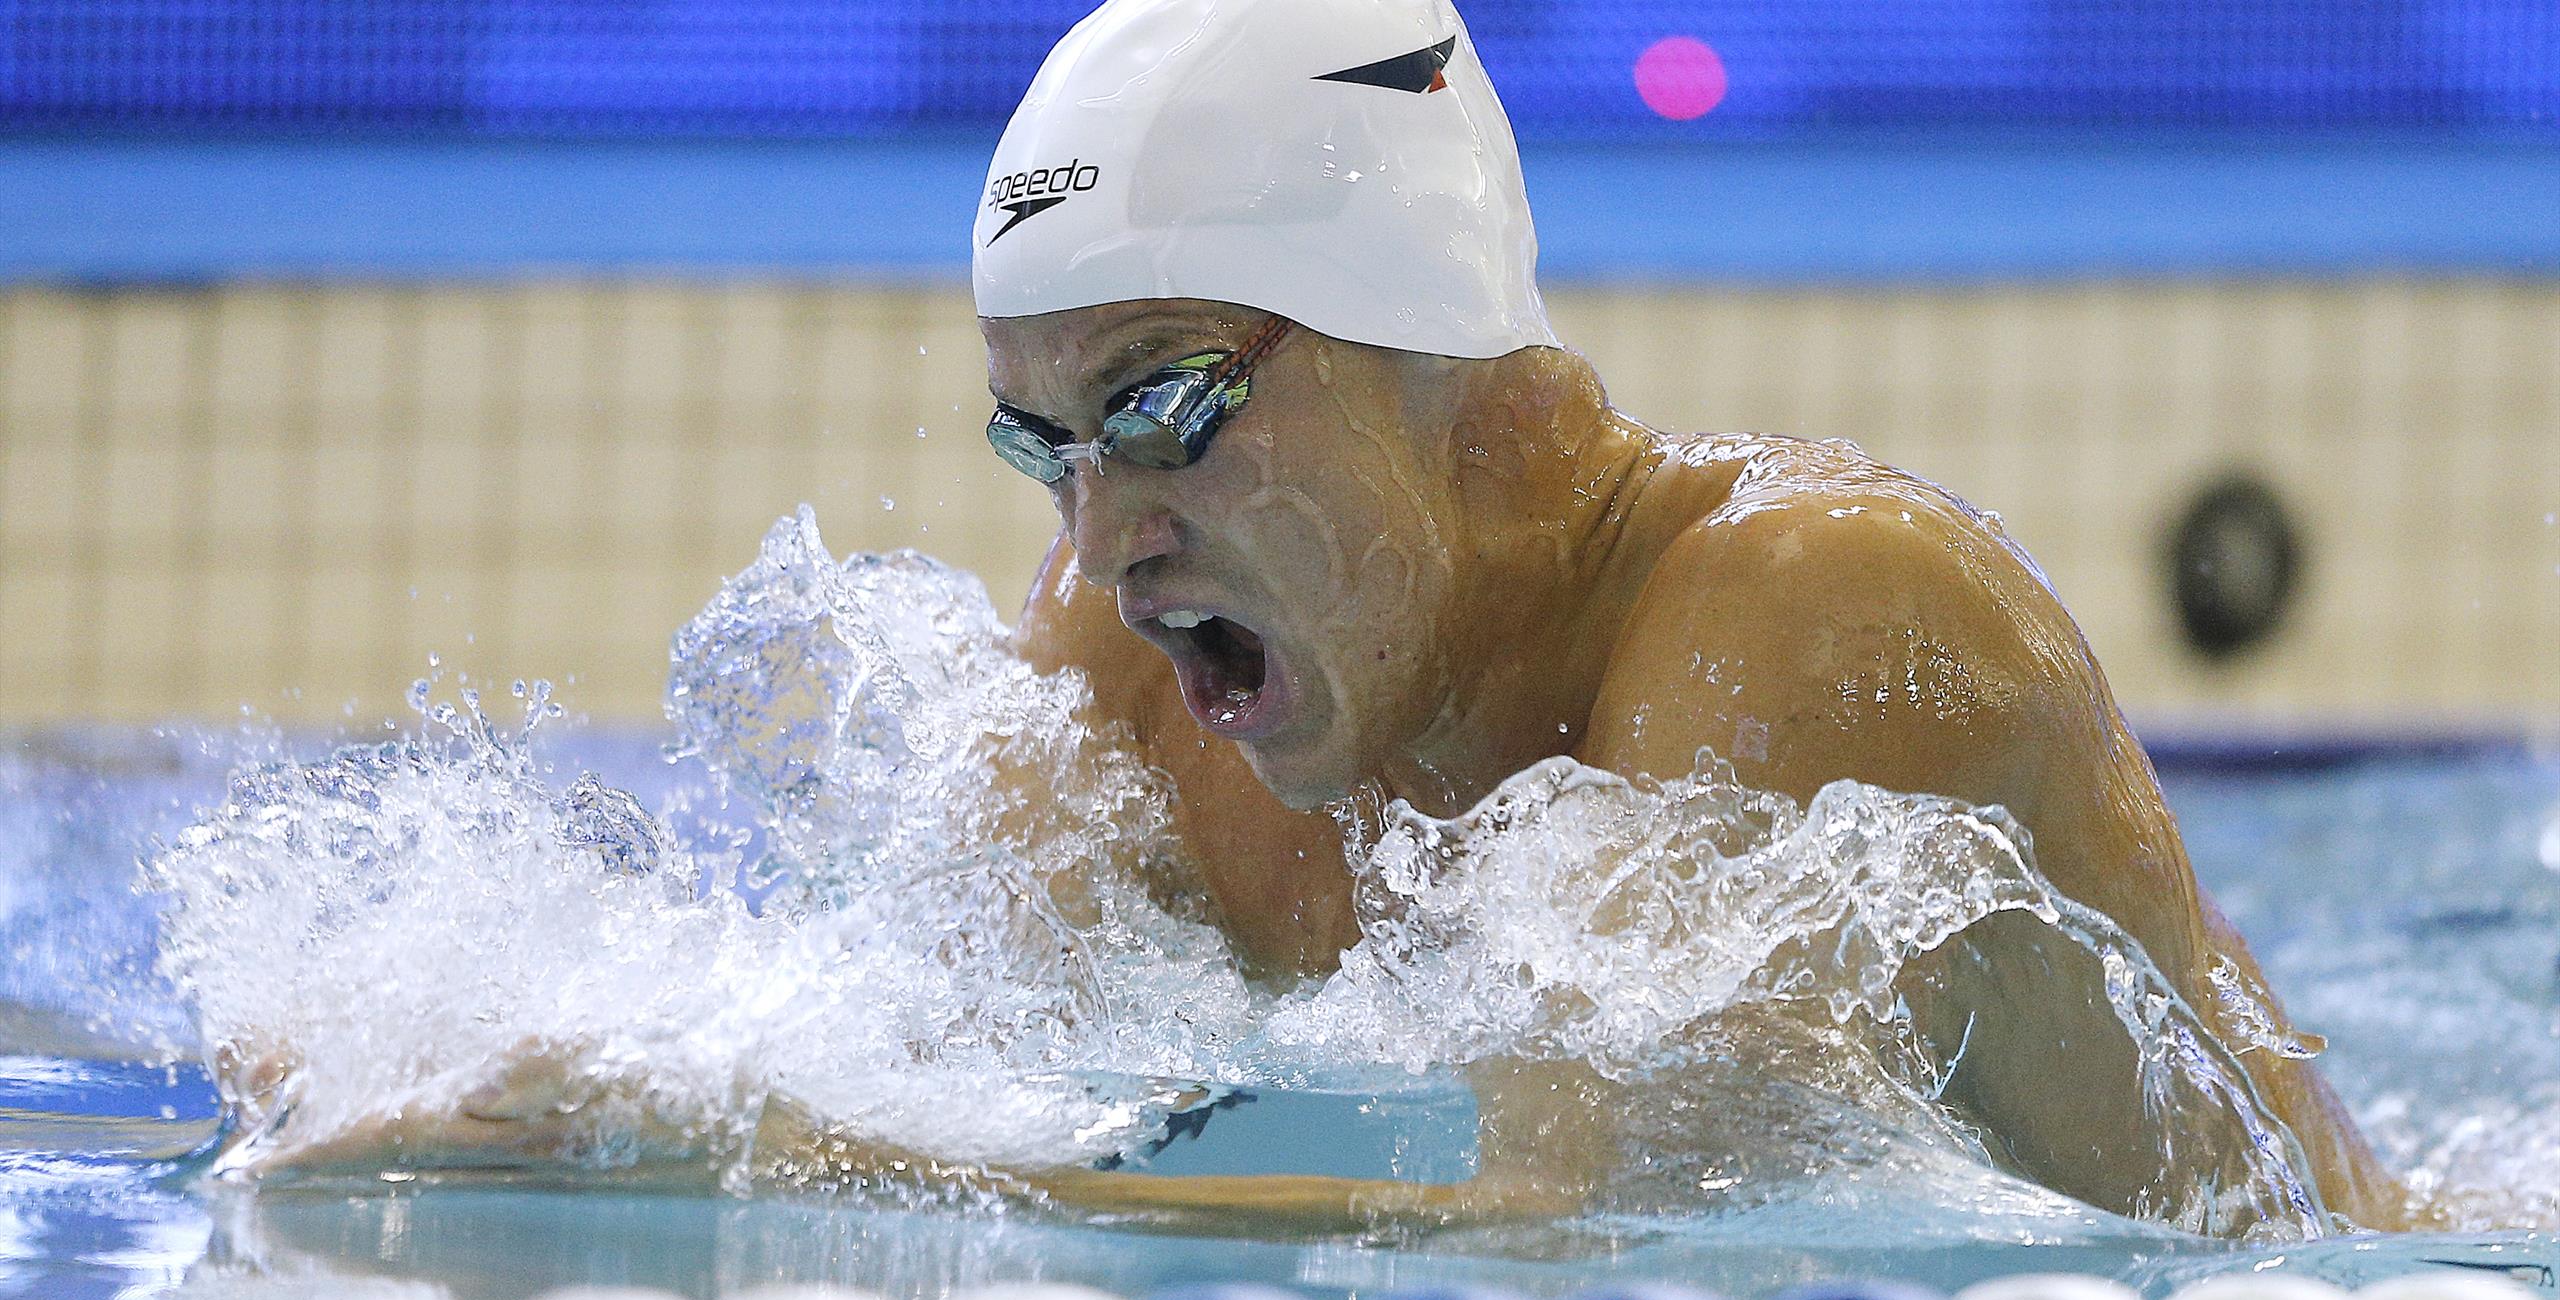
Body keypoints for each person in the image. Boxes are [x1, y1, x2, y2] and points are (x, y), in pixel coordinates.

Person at [232, 0, 2402, 1234]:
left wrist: (733, 1141)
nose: (1099, 541)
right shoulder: (1144, 663)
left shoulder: (1808, 613)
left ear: (1439, 367)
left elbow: (1583, 1180)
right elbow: (909, 1029)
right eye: (1044, 446)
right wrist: (503, 1062)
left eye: (1163, 407)